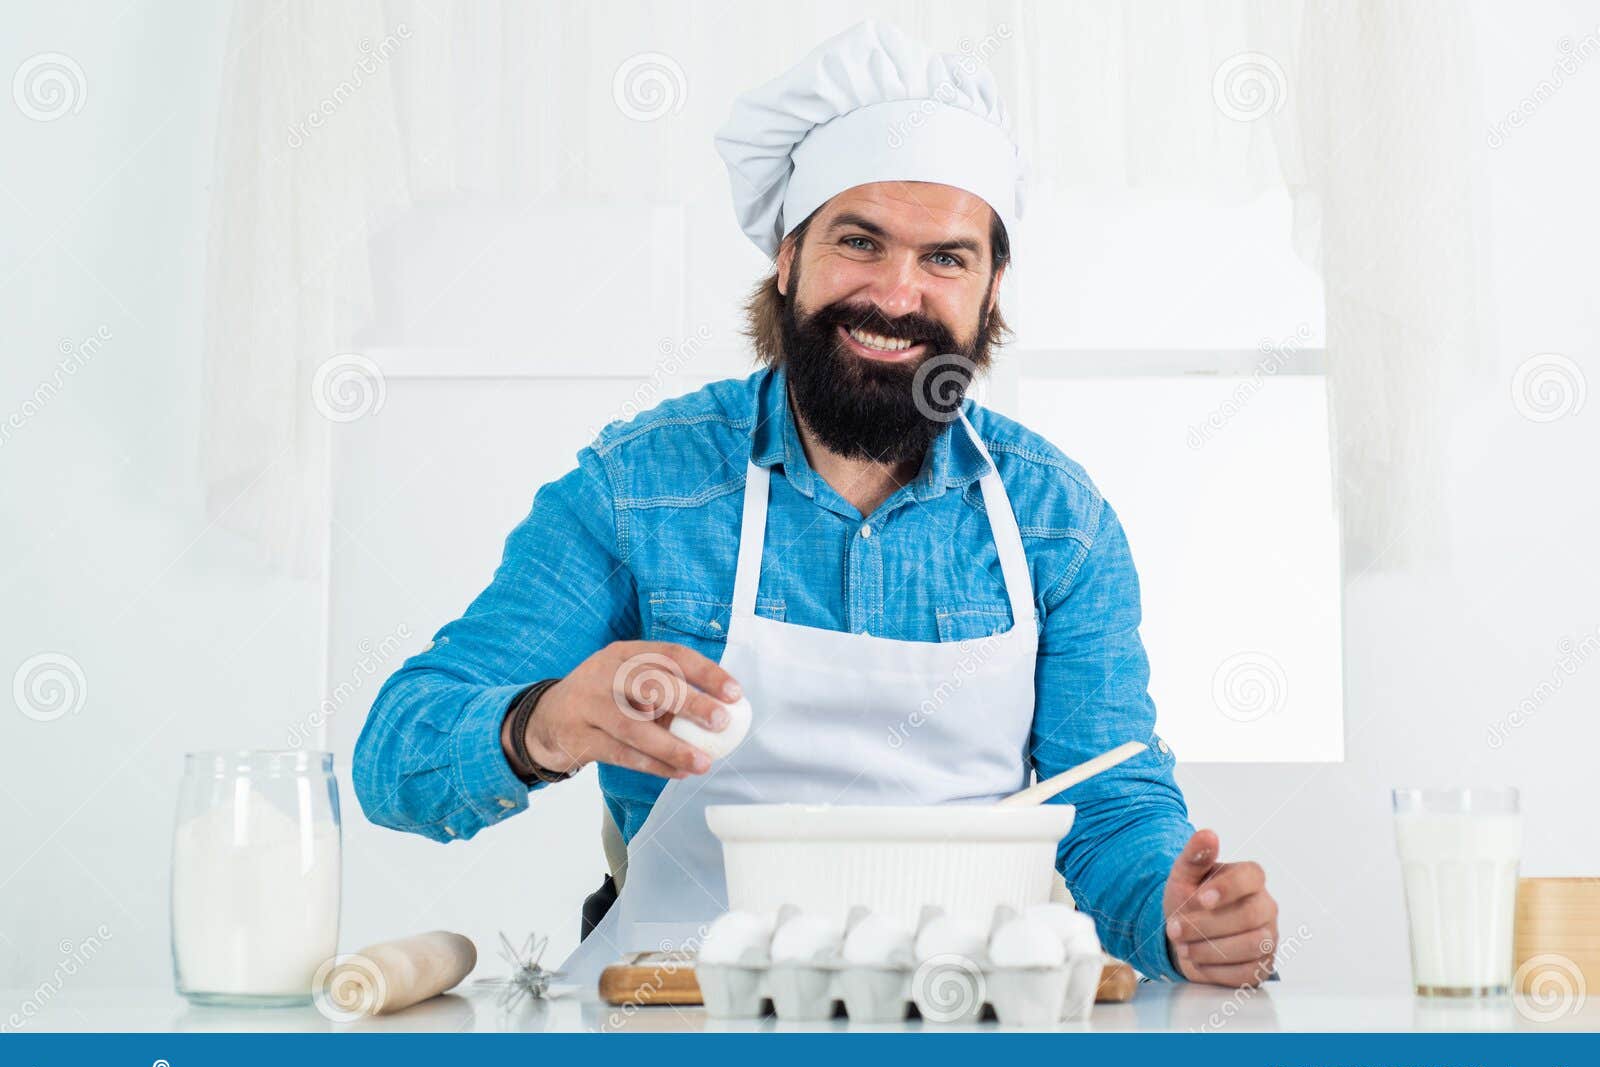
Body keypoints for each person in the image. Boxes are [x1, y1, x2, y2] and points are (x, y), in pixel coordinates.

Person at [353, 20, 1277, 989]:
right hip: (684, 1015)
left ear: (992, 286)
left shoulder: (1060, 523)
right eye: (858, 241)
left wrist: (1177, 914)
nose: (895, 292)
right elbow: (397, 753)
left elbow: (1114, 807)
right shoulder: (639, 492)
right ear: (785, 256)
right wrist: (539, 724)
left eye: (945, 260)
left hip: (974, 1015)